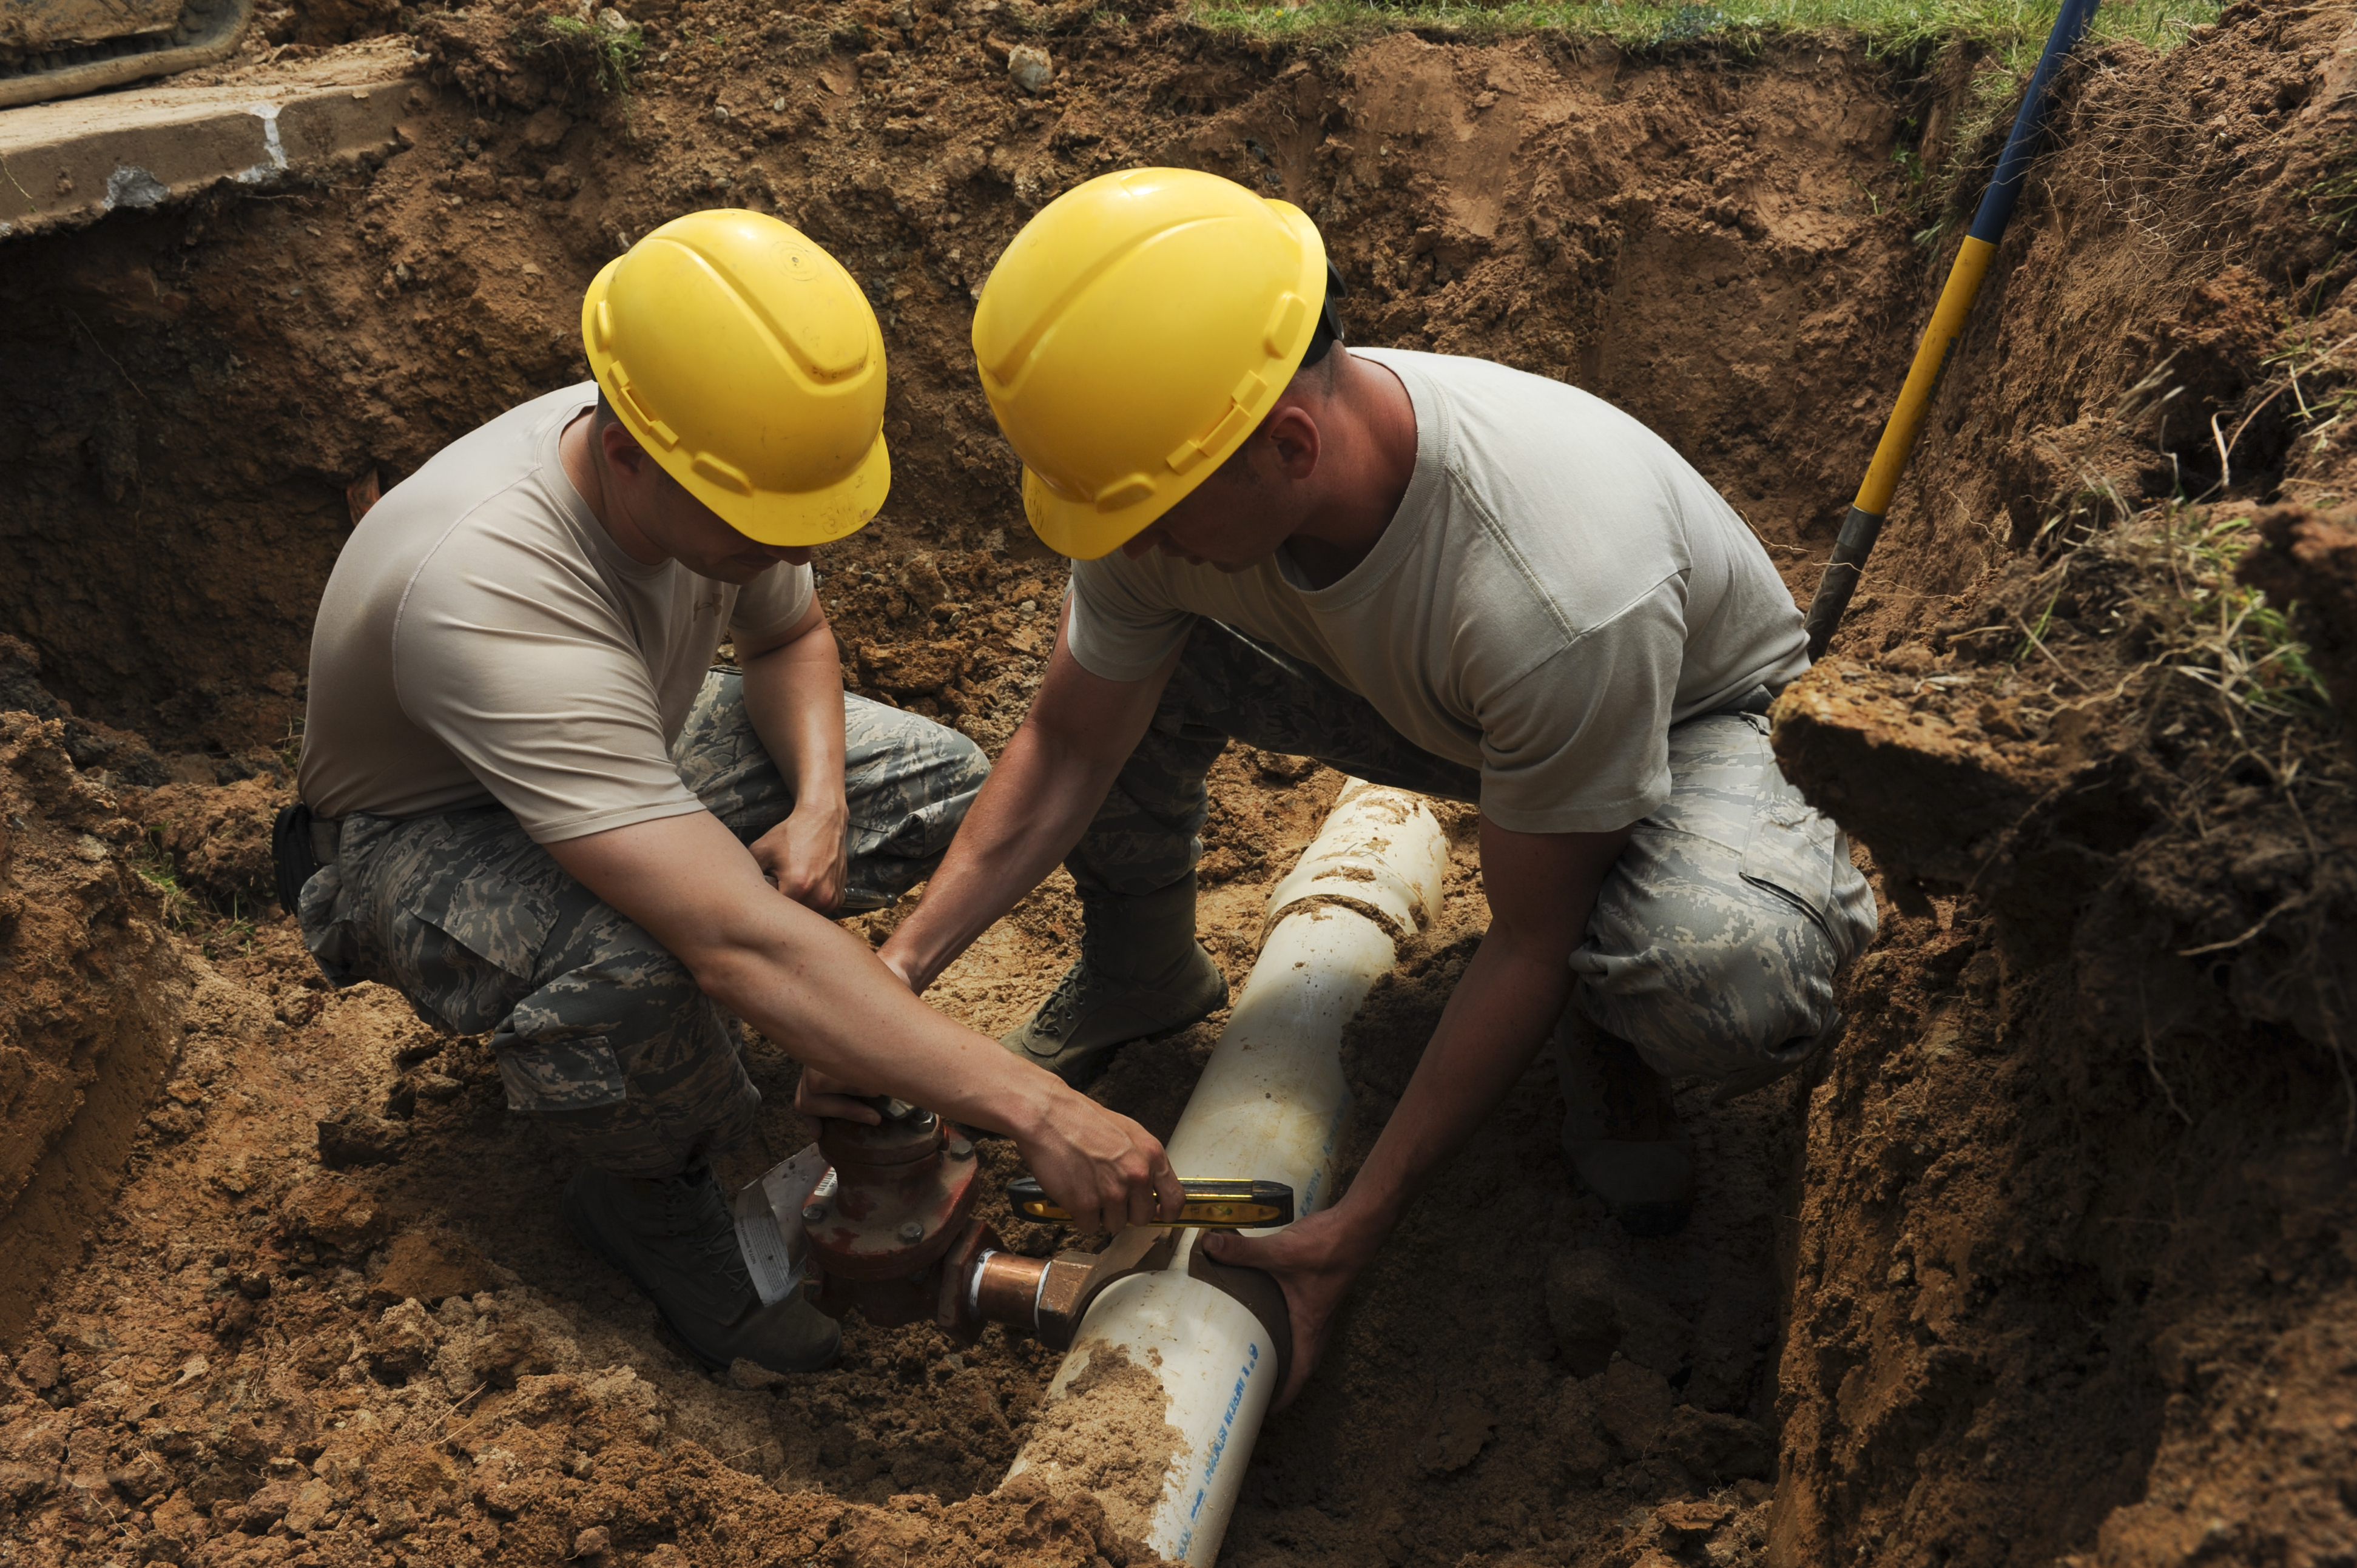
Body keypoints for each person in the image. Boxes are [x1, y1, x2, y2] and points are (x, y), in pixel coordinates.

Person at [870, 169, 1877, 1407]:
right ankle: (1141, 970)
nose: (1128, 543)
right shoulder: (1179, 468)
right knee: (1145, 673)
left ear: (1289, 446)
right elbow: (1072, 743)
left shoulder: (1551, 587)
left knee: (1723, 974)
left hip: (1676, 722)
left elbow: (1522, 937)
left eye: (1151, 517)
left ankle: (1609, 1034)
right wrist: (890, 980)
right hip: (1448, 700)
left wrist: (1358, 1220)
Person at [280, 210, 1179, 1377]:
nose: (777, 547)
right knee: (645, 968)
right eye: (758, 528)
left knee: (936, 782)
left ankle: (813, 1036)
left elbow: (788, 634)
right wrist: (1039, 1109)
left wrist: (819, 803)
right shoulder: (487, 583)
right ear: (622, 459)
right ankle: (644, 1194)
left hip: (616, 737)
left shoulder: (711, 442)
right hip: (422, 833)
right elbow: (728, 942)